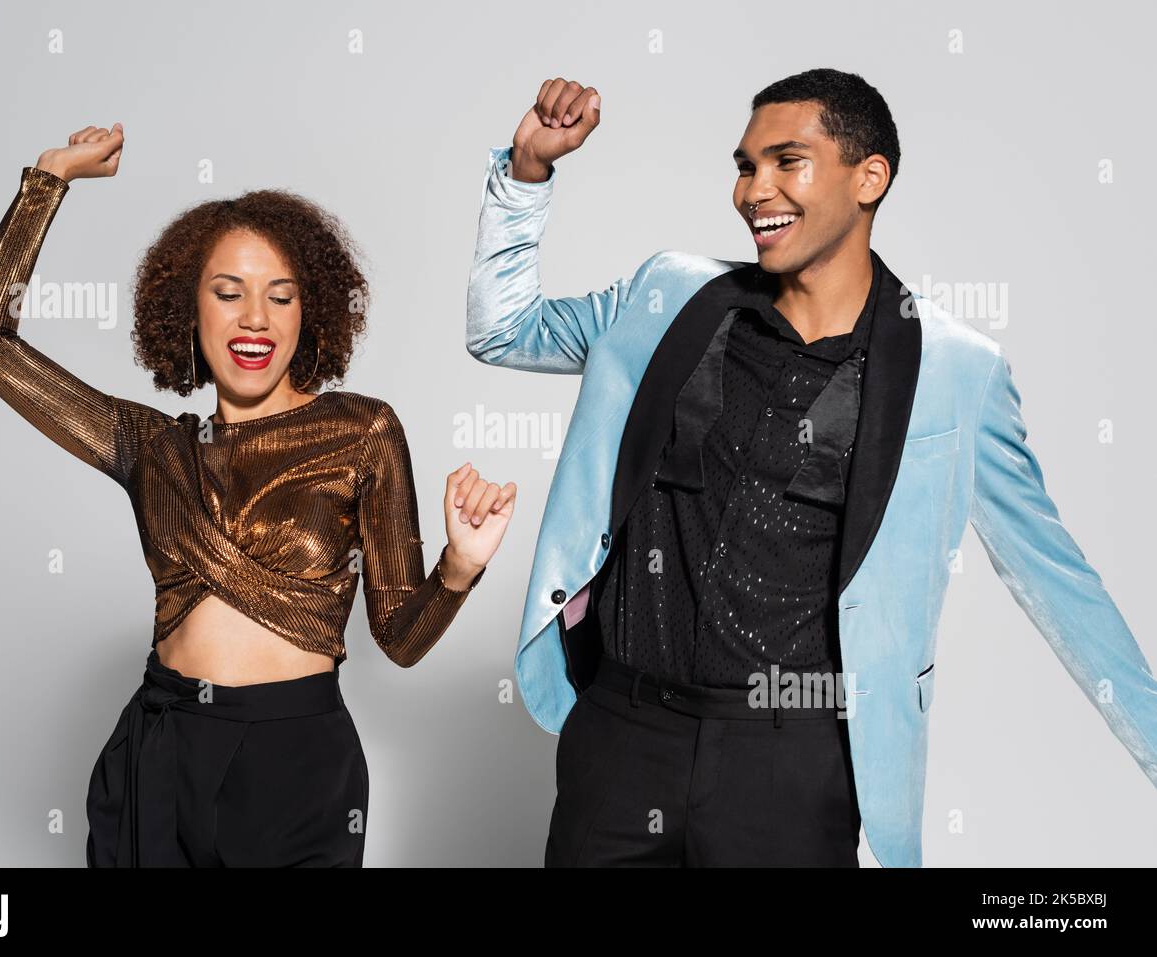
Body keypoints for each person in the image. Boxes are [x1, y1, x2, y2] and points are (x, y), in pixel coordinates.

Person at [465, 70, 1157, 867]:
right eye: (745, 165)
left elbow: (1058, 581)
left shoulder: (955, 372)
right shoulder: (668, 294)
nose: (754, 190)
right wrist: (528, 169)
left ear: (870, 178)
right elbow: (502, 330)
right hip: (622, 743)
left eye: (786, 161)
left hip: (791, 767)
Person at [0, 122, 516, 867]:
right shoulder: (151, 446)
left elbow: (401, 641)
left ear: (310, 312)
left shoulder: (362, 430)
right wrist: (48, 180)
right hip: (159, 749)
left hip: (297, 763)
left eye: (281, 296)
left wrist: (458, 569)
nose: (256, 317)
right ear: (188, 312)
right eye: (228, 293)